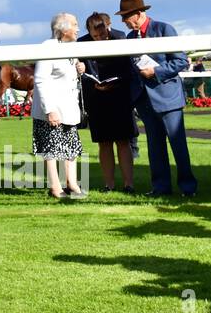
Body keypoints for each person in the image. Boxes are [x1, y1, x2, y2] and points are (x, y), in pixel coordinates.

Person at [118, 0, 196, 197]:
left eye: (126, 16)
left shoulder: (164, 29)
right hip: (144, 99)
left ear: (138, 13)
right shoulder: (129, 38)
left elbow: (181, 61)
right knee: (155, 147)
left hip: (168, 97)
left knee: (178, 144)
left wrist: (156, 72)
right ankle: (161, 188)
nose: (123, 21)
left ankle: (188, 188)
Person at [77, 12, 137, 193]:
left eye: (102, 34)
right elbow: (81, 70)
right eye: (95, 36)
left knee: (123, 141)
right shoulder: (81, 43)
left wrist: (115, 83)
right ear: (89, 32)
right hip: (96, 99)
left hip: (119, 97)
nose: (100, 38)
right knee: (103, 143)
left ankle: (129, 184)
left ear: (108, 27)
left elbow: (129, 68)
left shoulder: (120, 37)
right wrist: (82, 70)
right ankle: (108, 184)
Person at [30, 13, 86, 199]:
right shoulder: (48, 47)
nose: (78, 29)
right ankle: (55, 187)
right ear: (63, 29)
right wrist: (49, 110)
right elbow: (40, 80)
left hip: (69, 108)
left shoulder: (72, 48)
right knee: (51, 149)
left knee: (72, 148)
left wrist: (80, 67)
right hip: (52, 110)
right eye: (75, 25)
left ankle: (73, 185)